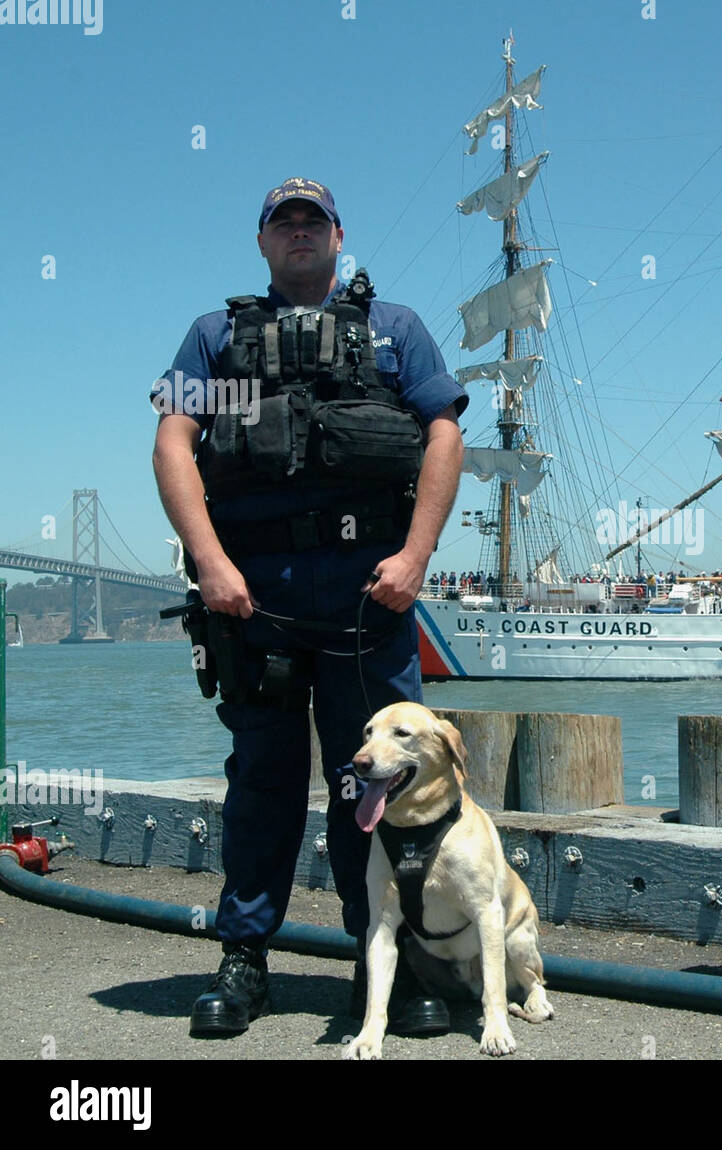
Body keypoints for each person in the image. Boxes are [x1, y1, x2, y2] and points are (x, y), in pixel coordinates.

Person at [152, 177, 467, 1036]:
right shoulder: (218, 341)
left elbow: (445, 432)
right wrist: (210, 563)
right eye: (282, 223)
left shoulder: (393, 331)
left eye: (313, 222)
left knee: (382, 790)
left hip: (373, 595)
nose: (299, 234)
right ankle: (245, 959)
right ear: (262, 242)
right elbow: (172, 440)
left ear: (338, 236)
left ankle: (392, 968)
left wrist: (417, 555)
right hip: (259, 601)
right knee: (264, 781)